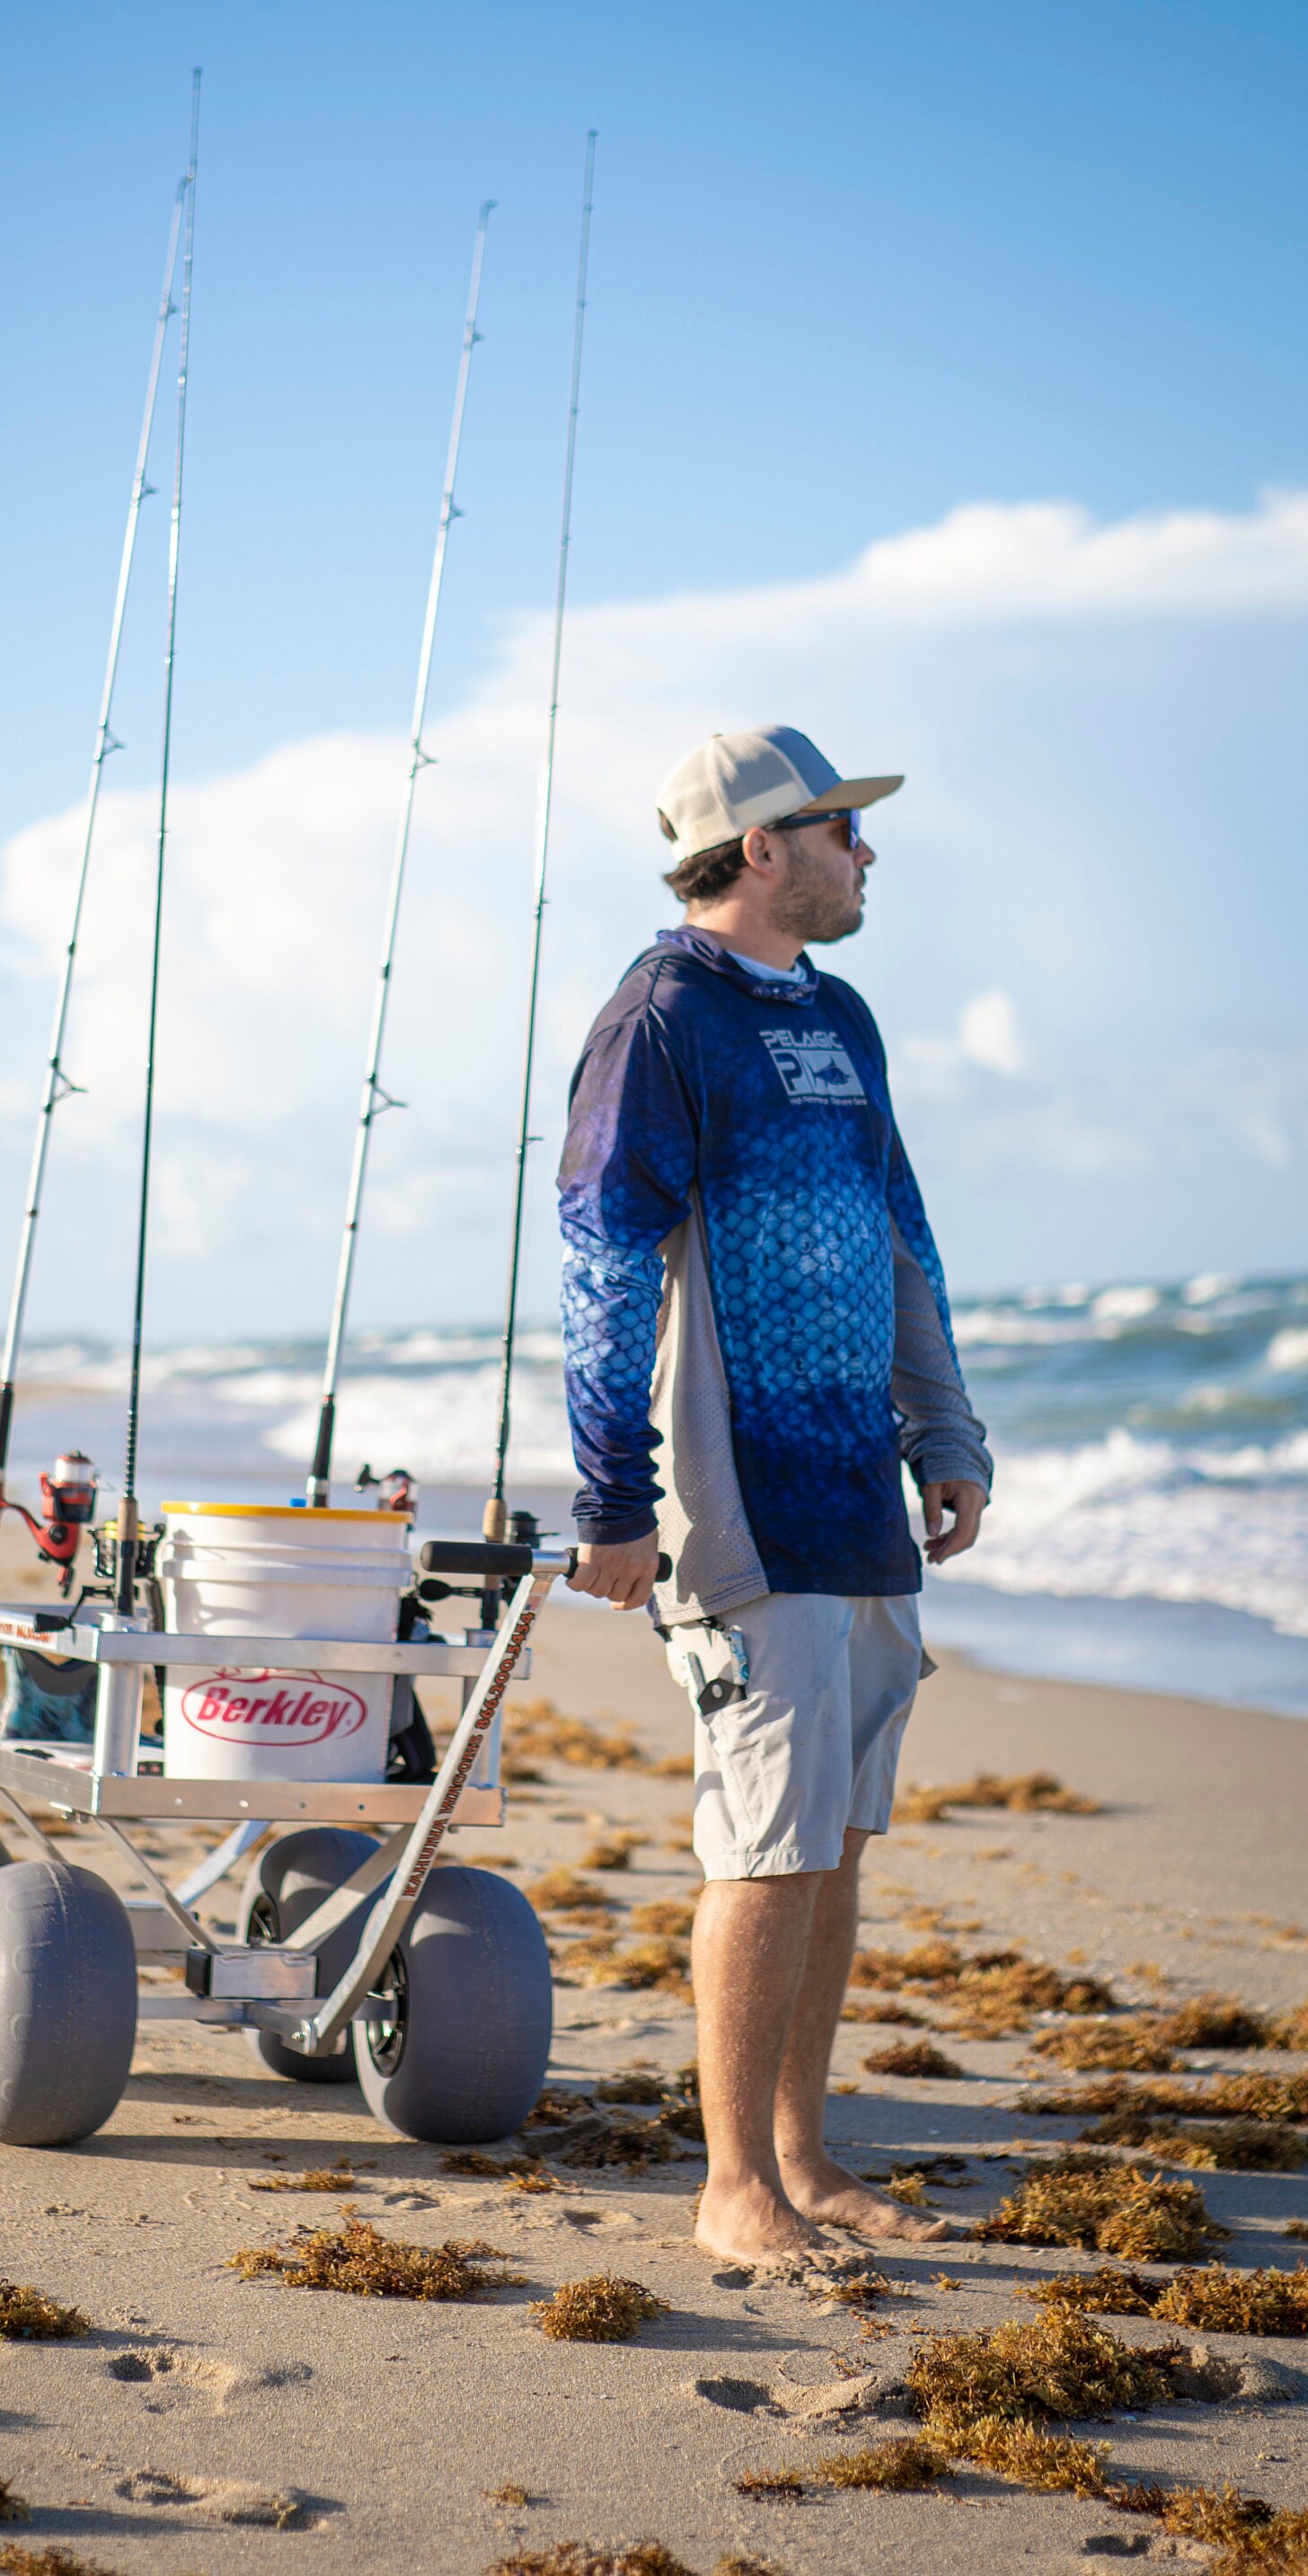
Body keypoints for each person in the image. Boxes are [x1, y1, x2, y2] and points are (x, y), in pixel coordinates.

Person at [557, 725, 990, 2270]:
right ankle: (729, 2185)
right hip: (737, 1507)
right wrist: (615, 1496)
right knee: (764, 1840)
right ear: (760, 850)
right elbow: (603, 1264)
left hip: (856, 1496)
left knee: (835, 1841)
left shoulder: (844, 1018)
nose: (865, 852)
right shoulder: (660, 1020)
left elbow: (901, 1232)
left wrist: (946, 1432)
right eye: (839, 830)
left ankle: (804, 2159)